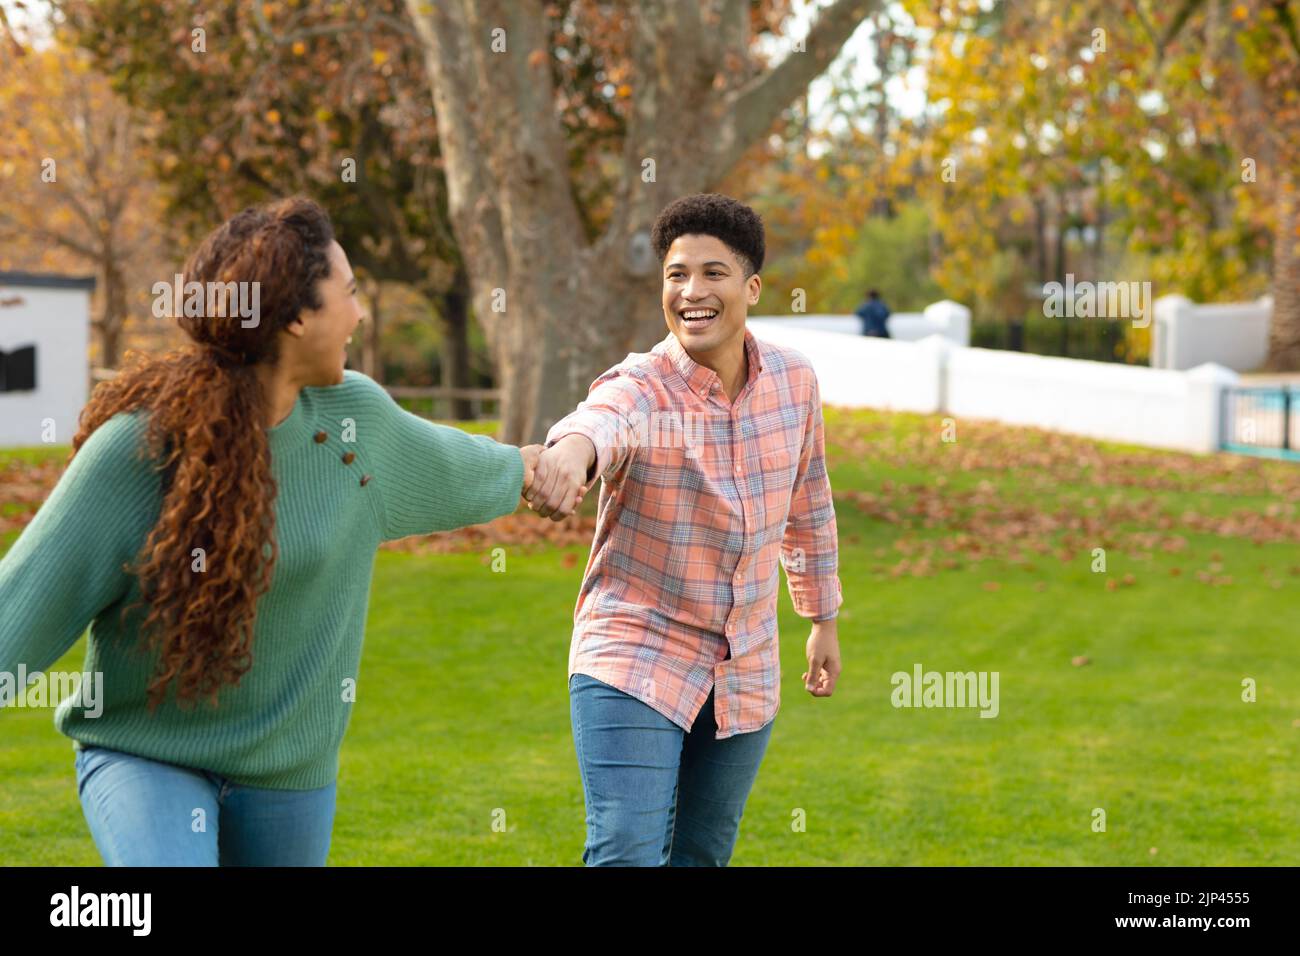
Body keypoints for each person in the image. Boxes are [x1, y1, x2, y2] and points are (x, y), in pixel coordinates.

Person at [0, 196, 549, 866]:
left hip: (290, 776)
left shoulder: (353, 428)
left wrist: (564, 461)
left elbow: (469, 466)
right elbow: (17, 614)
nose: (360, 313)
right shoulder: (139, 451)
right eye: (347, 293)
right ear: (294, 317)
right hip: (147, 755)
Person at [524, 193, 844, 866]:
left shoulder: (794, 383)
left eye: (712, 273)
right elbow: (599, 419)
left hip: (745, 661)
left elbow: (807, 502)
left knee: (701, 854)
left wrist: (821, 618)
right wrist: (569, 455)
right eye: (676, 274)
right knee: (626, 851)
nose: (691, 291)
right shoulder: (643, 385)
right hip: (635, 651)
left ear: (752, 287)